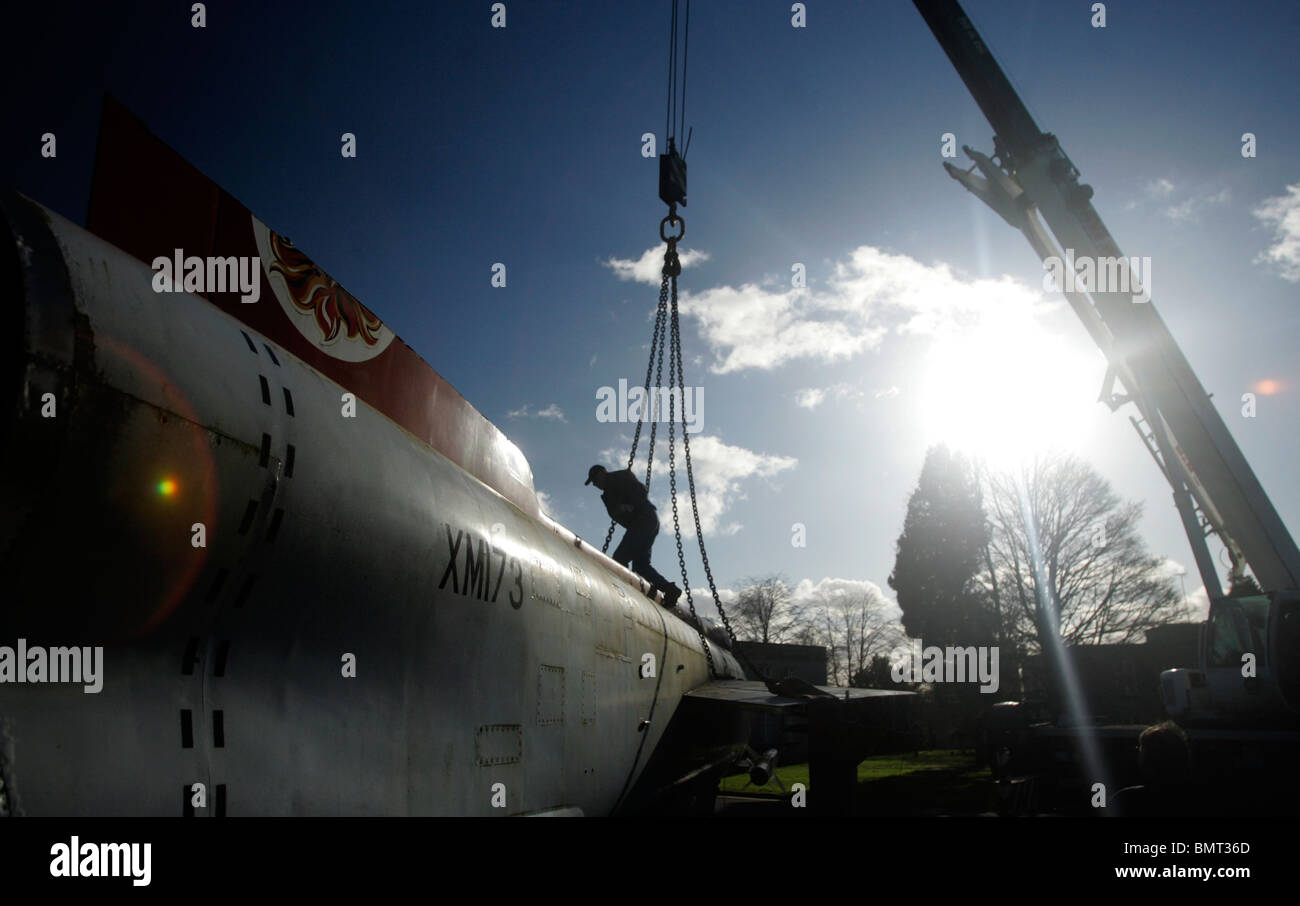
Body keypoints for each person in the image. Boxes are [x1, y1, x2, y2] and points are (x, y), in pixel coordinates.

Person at [585, 464, 682, 607]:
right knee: (641, 565)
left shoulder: (619, 478)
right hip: (644, 523)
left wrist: (631, 505)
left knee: (620, 558)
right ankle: (670, 590)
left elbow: (640, 490)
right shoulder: (608, 493)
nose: (594, 484)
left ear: (601, 474)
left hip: (643, 520)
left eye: (594, 480)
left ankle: (623, 592)